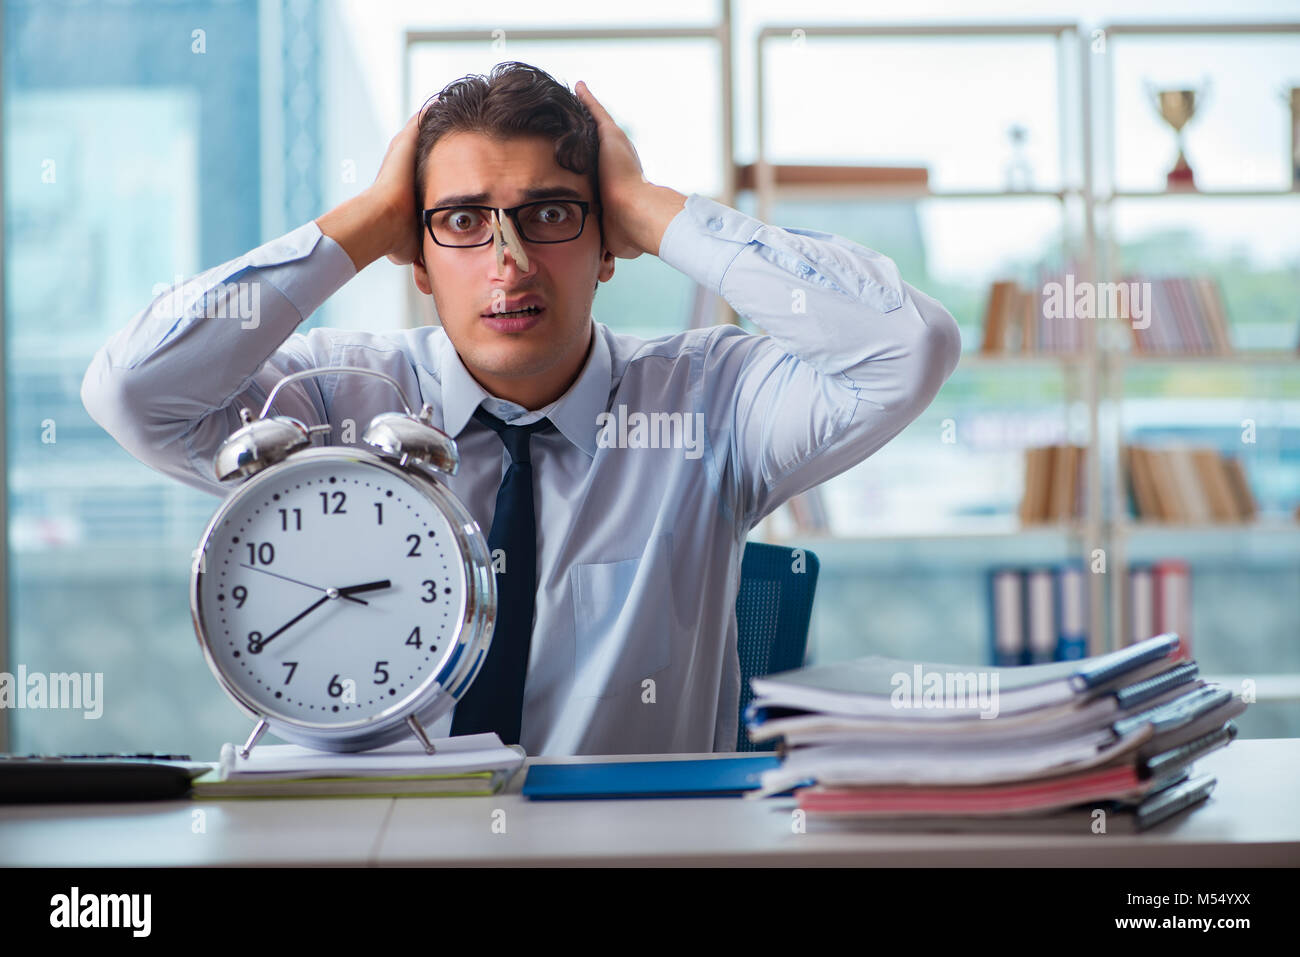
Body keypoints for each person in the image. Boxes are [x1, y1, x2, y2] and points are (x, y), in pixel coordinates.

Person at [82, 61, 962, 756]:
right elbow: (132, 391)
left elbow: (906, 348)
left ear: (607, 245)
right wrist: (361, 222)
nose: (509, 263)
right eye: (462, 221)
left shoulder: (708, 406)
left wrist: (655, 212)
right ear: (415, 258)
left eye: (548, 213)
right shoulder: (325, 402)